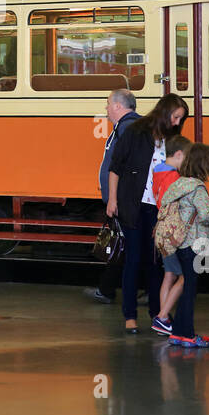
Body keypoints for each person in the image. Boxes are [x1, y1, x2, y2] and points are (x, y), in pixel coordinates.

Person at [107, 94, 189, 334]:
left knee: (156, 262)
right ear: (165, 112)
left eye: (180, 119)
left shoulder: (174, 140)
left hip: (160, 209)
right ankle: (129, 316)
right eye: (175, 117)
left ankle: (158, 313)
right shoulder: (136, 131)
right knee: (133, 260)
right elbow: (116, 168)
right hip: (133, 205)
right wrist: (112, 199)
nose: (177, 123)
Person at [159, 142, 209, 347]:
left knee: (187, 285)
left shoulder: (178, 183)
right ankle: (188, 335)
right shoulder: (197, 187)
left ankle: (178, 333)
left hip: (179, 243)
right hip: (194, 244)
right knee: (190, 290)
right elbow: (205, 215)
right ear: (204, 165)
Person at [86, 89, 139, 305]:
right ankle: (108, 289)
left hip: (124, 199)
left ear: (118, 106)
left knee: (124, 244)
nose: (106, 109)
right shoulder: (127, 127)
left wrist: (114, 198)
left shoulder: (127, 128)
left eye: (108, 104)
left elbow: (120, 167)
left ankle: (108, 291)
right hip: (124, 198)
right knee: (126, 245)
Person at [150, 134, 193, 337]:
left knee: (169, 275)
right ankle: (163, 316)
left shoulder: (157, 173)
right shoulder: (174, 178)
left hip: (161, 231)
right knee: (185, 277)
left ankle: (163, 319)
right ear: (178, 154)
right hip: (173, 233)